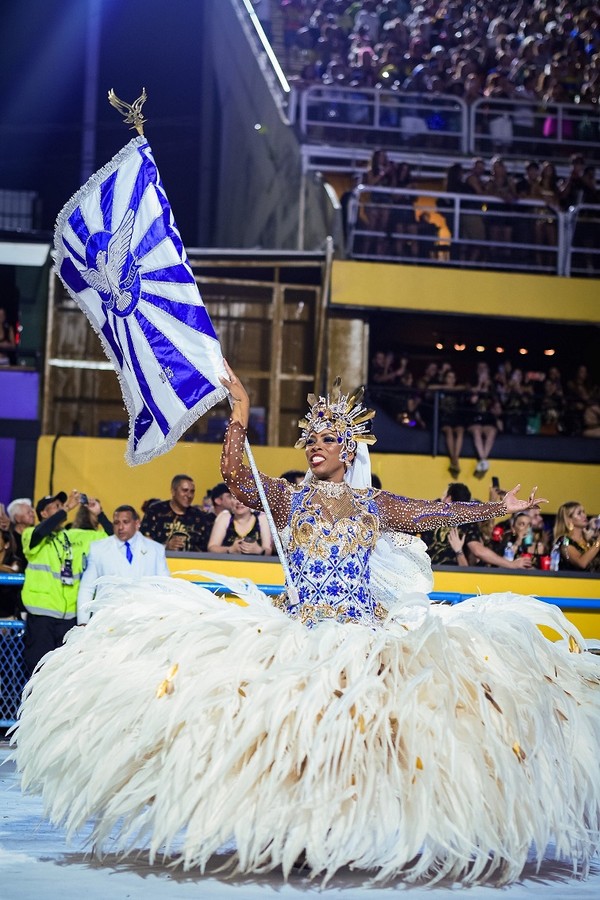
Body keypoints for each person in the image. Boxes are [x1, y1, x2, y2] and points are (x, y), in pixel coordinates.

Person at [12, 365, 600, 884]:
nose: (314, 446)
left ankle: (339, 831)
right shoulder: (289, 498)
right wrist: (238, 415)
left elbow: (436, 512)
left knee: (362, 741)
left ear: (347, 449)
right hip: (300, 634)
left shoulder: (374, 504)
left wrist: (499, 508)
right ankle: (293, 835)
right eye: (309, 439)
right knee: (287, 738)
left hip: (364, 640)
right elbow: (240, 483)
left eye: (325, 439)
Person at [20, 491, 109, 676]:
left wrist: (98, 514)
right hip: (41, 616)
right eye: (56, 506)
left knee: (65, 675)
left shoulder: (75, 536)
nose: (62, 508)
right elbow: (40, 532)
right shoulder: (30, 534)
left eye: (62, 505)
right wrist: (67, 508)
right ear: (43, 514)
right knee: (38, 674)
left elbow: (112, 539)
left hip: (69, 619)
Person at [77, 505, 170, 624]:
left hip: (145, 620)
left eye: (125, 522)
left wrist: (165, 618)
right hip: (107, 622)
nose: (120, 527)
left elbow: (166, 586)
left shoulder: (155, 549)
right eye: (116, 523)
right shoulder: (98, 549)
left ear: (137, 524)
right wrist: (83, 622)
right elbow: (87, 587)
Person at [140, 474, 213, 552]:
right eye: (185, 490)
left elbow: (205, 549)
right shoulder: (156, 511)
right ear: (173, 491)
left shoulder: (199, 516)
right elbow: (143, 543)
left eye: (192, 492)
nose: (189, 495)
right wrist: (165, 547)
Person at [207, 497, 272, 556]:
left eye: (243, 497)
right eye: (235, 498)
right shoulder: (225, 517)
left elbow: (268, 550)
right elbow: (211, 548)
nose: (239, 502)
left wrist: (259, 551)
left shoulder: (262, 518)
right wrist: (230, 550)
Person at [553, 501, 600, 573]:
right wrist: (598, 542)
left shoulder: (589, 541)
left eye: (583, 512)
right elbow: (582, 563)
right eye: (579, 513)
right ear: (569, 520)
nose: (584, 515)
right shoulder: (565, 541)